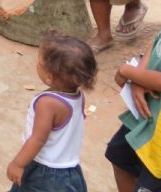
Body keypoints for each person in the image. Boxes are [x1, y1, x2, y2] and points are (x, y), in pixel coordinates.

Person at [6, 31, 97, 191]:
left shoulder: (47, 103)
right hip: (70, 171)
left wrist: (17, 164)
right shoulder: (77, 96)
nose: (36, 64)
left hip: (45, 172)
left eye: (39, 63)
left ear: (49, 76)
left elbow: (38, 139)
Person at [105, 19, 161, 192]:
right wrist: (139, 76)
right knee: (119, 155)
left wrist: (127, 71)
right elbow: (158, 40)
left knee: (152, 182)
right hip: (149, 118)